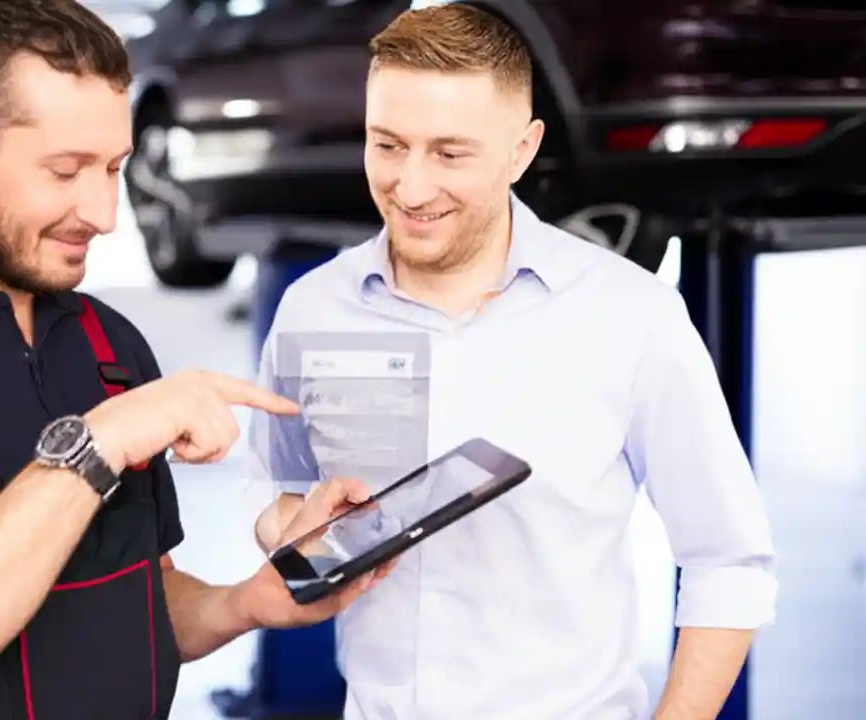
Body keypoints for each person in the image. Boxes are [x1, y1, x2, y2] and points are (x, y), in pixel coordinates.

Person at [0, 2, 389, 719]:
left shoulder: (109, 344)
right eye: (65, 170)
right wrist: (98, 445)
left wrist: (244, 603)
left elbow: (137, 603)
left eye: (114, 167)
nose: (105, 212)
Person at [250, 5, 778, 720]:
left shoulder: (628, 314)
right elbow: (278, 493)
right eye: (387, 144)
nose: (410, 186)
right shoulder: (314, 309)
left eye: (450, 153)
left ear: (522, 150)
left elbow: (727, 559)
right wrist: (299, 529)